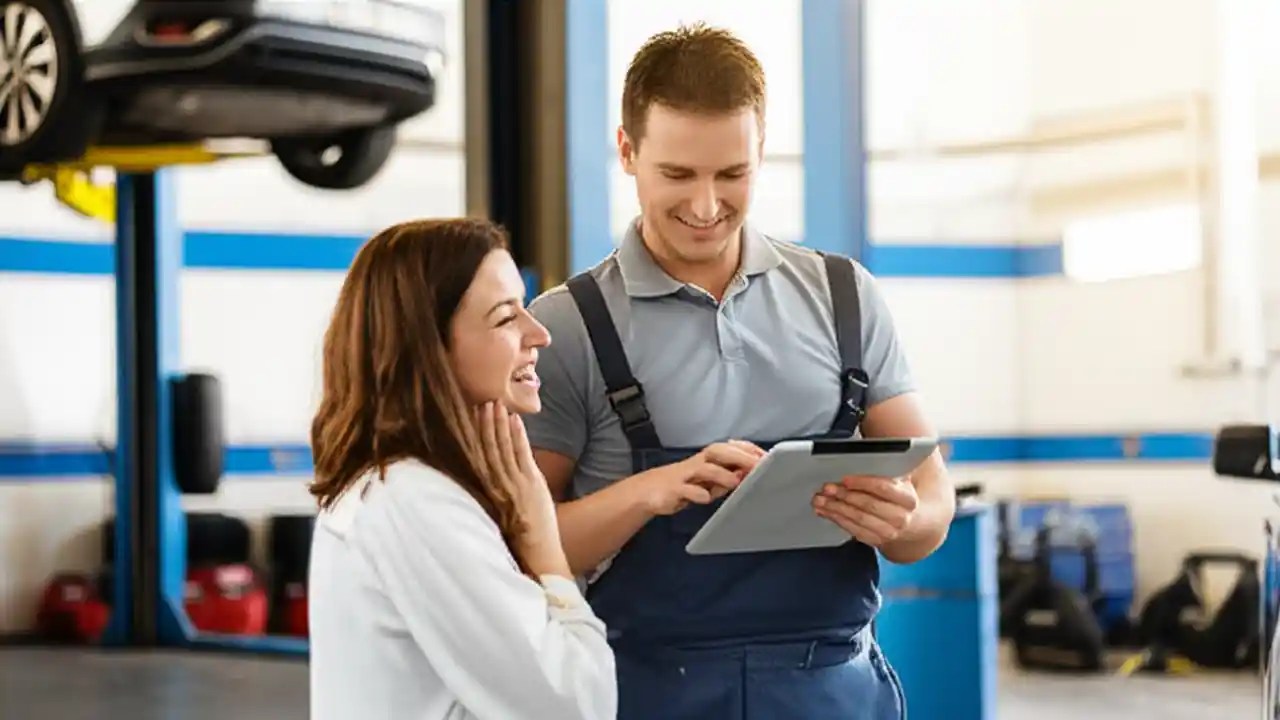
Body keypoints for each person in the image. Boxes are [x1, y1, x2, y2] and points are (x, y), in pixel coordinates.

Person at [523, 23, 956, 720]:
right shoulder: (566, 327)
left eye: (732, 175)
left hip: (833, 694)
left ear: (762, 152)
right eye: (677, 174)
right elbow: (525, 541)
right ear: (627, 151)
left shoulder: (845, 298)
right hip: (648, 694)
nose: (704, 206)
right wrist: (647, 494)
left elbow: (932, 496)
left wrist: (904, 519)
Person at [305, 218, 617, 720]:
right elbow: (577, 704)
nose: (539, 334)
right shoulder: (419, 504)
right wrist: (545, 550)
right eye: (504, 318)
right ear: (428, 350)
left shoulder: (399, 490)